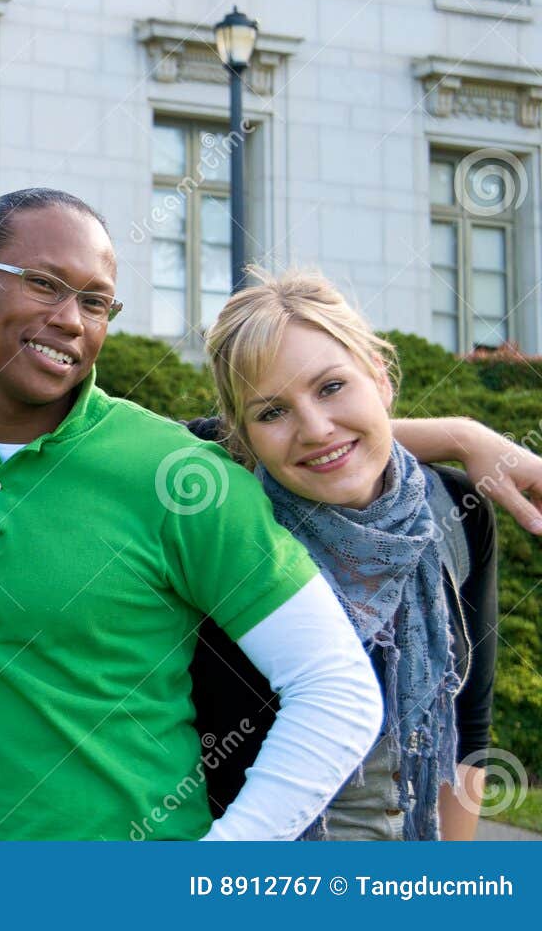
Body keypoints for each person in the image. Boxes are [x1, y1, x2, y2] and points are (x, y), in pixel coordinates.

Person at [0, 188, 386, 840]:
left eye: (95, 302)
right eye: (44, 284)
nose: (71, 320)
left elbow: (338, 689)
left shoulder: (177, 475)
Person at [193, 268, 498, 840]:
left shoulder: (456, 509)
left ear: (380, 378)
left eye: (331, 386)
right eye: (271, 412)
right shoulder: (222, 524)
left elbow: (467, 732)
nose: (315, 429)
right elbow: (162, 442)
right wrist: (463, 432)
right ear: (244, 435)